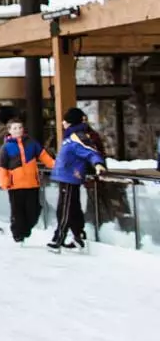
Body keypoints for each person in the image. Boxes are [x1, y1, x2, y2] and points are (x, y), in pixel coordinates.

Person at [48, 108, 107, 252]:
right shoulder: (70, 136)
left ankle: (59, 239)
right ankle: (78, 236)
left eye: (65, 120)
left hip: (70, 177)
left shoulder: (77, 137)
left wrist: (98, 164)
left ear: (70, 122)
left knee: (65, 209)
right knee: (72, 208)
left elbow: (91, 151)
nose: (62, 123)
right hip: (65, 176)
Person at [0, 118, 55, 244]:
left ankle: (26, 228)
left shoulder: (32, 143)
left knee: (34, 210)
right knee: (17, 212)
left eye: (20, 127)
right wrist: (4, 182)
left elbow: (44, 156)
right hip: (15, 185)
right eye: (14, 128)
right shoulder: (5, 148)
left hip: (32, 184)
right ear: (9, 131)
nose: (18, 130)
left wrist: (56, 166)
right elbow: (2, 167)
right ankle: (18, 234)